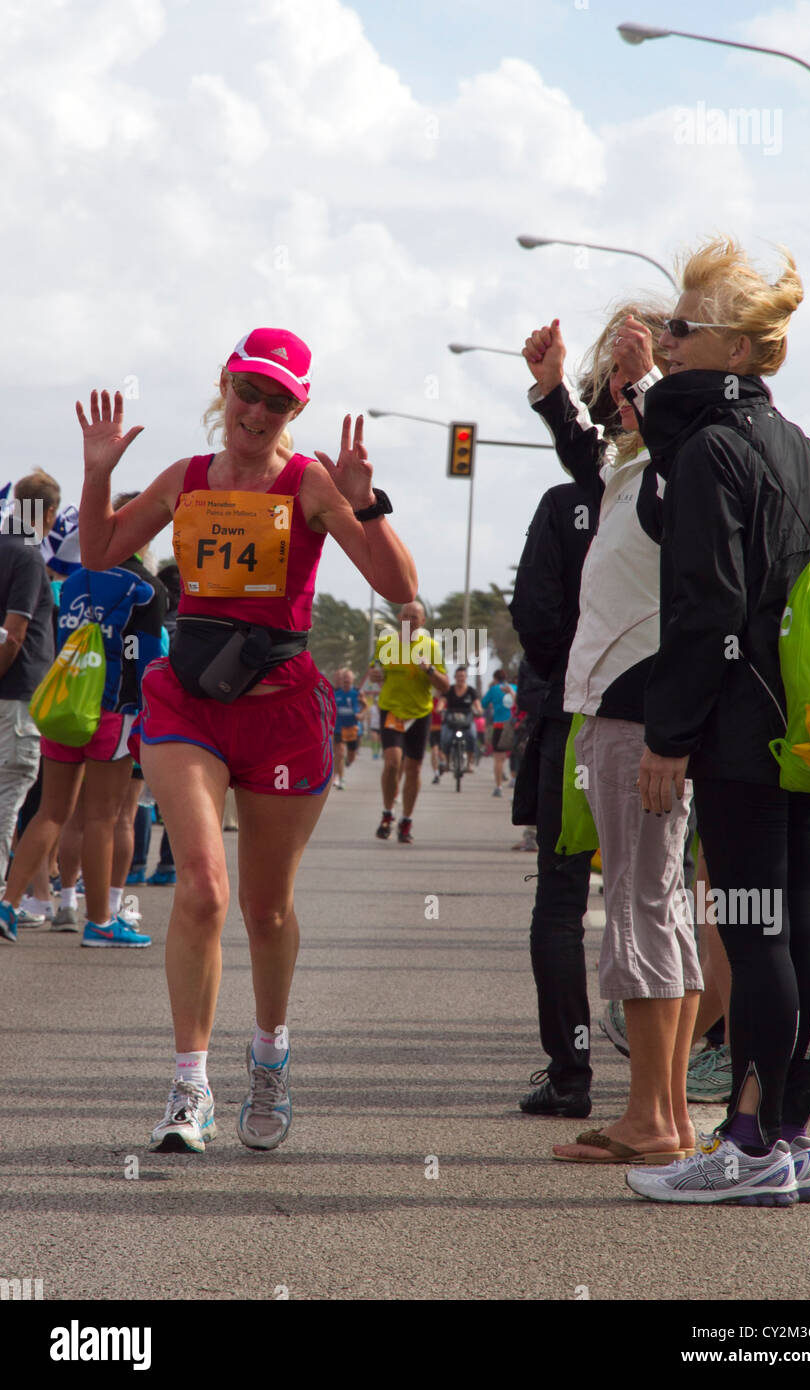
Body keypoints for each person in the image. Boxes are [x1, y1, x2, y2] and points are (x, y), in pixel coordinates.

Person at [76, 326, 416, 1153]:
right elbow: (96, 551)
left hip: (282, 709)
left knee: (267, 912)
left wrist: (363, 500)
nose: (257, 411)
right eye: (247, 392)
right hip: (189, 701)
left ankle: (270, 1054)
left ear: (295, 408)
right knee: (202, 887)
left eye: (277, 400)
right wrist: (97, 476)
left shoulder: (308, 483)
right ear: (225, 387)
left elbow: (399, 589)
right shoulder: (186, 479)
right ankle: (190, 1086)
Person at [629, 237, 810, 1206]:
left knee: (752, 934)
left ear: (737, 349)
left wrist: (668, 736)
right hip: (806, 726)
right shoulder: (796, 447)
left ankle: (746, 1144)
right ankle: (788, 1140)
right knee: (797, 923)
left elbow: (704, 603)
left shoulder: (710, 448)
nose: (666, 340)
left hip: (739, 730)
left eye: (681, 327)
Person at [523, 302, 705, 1169]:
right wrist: (554, 390)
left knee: (639, 912)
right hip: (626, 711)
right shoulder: (633, 463)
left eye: (626, 390)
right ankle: (666, 1114)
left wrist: (656, 384)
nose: (617, 404)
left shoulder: (678, 460)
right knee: (657, 908)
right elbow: (587, 454)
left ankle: (650, 1120)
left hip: (638, 713)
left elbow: (669, 463)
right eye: (615, 391)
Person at [0, 510, 165, 947]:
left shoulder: (72, 584)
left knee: (51, 812)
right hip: (114, 710)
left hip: (65, 706)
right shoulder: (147, 590)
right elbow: (149, 663)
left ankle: (7, 904)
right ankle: (100, 922)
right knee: (102, 819)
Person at [509, 475, 599, 1115]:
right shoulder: (687, 480)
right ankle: (670, 1075)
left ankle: (571, 1075)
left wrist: (566, 672)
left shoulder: (568, 504)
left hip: (574, 718)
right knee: (655, 898)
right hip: (669, 718)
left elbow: (534, 614)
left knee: (562, 902)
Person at [0, 471, 59, 929]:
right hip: (17, 697)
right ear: (51, 514)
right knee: (8, 803)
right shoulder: (26, 556)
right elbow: (14, 635)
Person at [369, 601, 448, 843]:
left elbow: (445, 686)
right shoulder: (386, 643)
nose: (409, 621)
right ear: (398, 618)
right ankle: (387, 813)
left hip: (420, 713)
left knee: (413, 768)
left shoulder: (431, 647)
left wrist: (430, 670)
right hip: (392, 710)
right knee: (392, 762)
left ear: (423, 621)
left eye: (414, 617)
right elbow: (374, 671)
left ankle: (406, 820)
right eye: (406, 616)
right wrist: (375, 674)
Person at [440, 665, 481, 774]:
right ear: (455, 677)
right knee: (446, 738)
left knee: (472, 736)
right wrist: (439, 708)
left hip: (467, 719)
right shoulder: (449, 690)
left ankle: (469, 764)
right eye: (458, 676)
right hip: (450, 719)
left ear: (466, 677)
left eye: (462, 676)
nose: (460, 678)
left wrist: (479, 711)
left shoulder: (471, 691)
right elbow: (442, 701)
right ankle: (447, 763)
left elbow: (477, 705)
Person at [481, 669, 516, 797]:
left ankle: (498, 787)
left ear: (495, 678)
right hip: (514, 726)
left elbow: (483, 704)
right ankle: (514, 779)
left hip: (499, 726)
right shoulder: (514, 687)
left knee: (499, 759)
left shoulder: (494, 689)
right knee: (515, 755)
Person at [332, 667, 367, 789]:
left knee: (351, 757)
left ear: (352, 680)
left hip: (353, 729)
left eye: (348, 679)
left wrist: (361, 714)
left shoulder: (358, 693)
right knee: (340, 753)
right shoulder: (335, 693)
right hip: (339, 728)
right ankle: (340, 778)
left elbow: (365, 706)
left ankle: (348, 762)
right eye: (344, 679)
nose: (346, 681)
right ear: (341, 680)